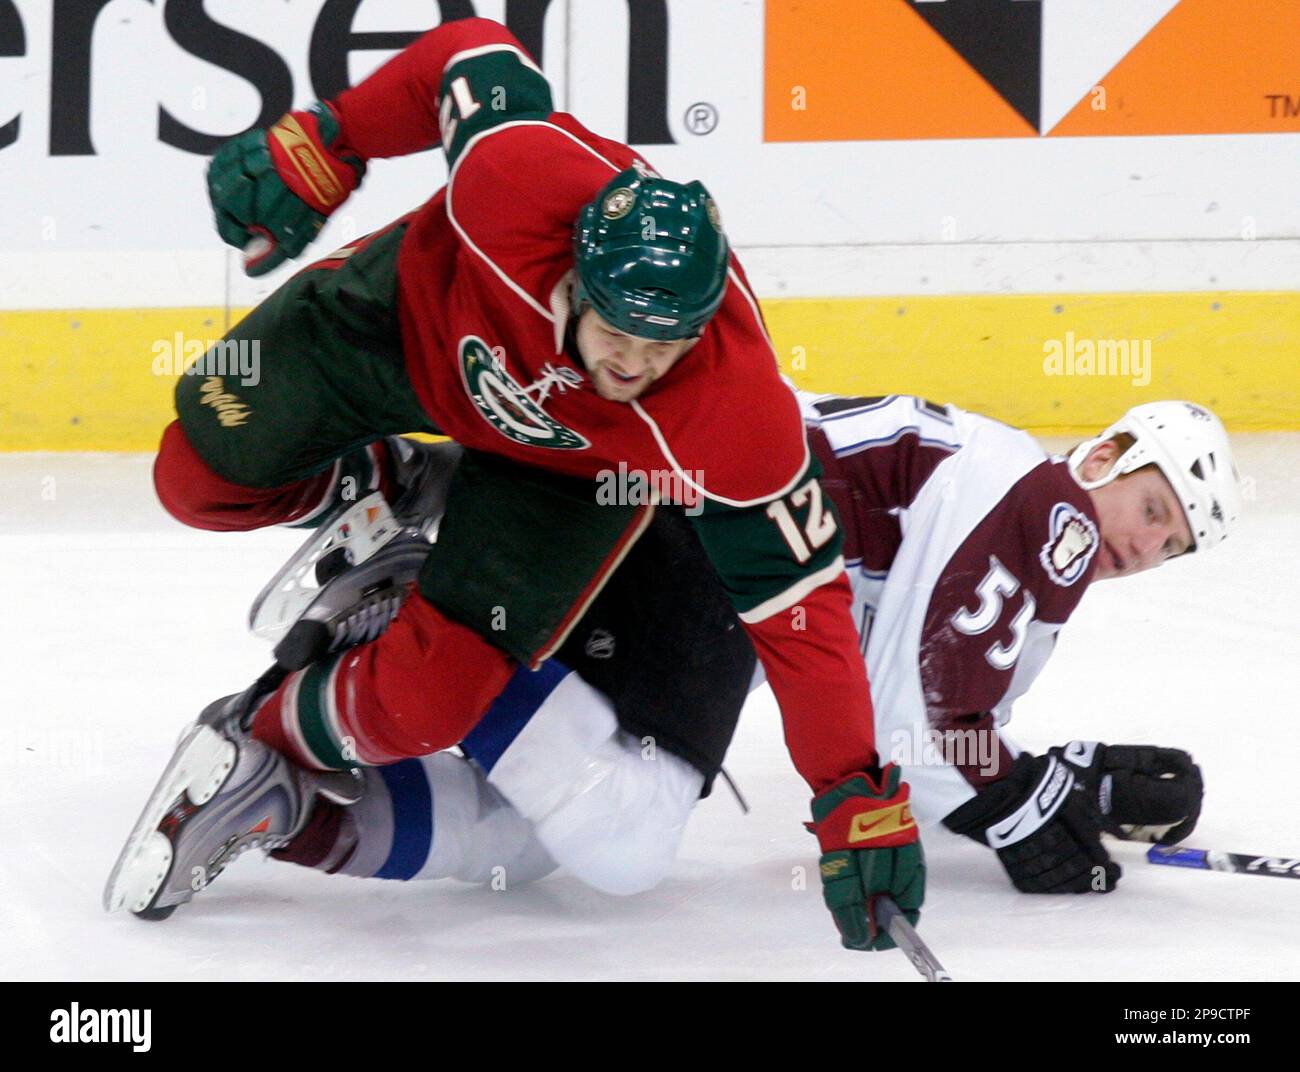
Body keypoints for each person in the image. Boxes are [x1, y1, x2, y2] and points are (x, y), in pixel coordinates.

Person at [104, 17, 921, 949]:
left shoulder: (737, 417)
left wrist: (851, 791)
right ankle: (393, 479)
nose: (631, 364)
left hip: (561, 474)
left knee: (428, 702)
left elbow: (802, 619)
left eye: (665, 345)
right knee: (195, 480)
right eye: (617, 329)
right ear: (577, 268)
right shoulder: (516, 181)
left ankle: (269, 744)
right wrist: (335, 136)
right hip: (394, 327)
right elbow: (470, 51)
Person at [262, 392, 1238, 900]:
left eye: (1170, 548)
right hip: (705, 527)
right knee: (626, 835)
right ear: (1102, 456)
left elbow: (957, 728)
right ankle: (419, 615)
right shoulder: (1050, 513)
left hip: (663, 510)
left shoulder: (1018, 522)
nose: (1144, 545)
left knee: (536, 837)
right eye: (1152, 508)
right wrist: (1027, 808)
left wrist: (1067, 782)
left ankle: (288, 806)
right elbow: (922, 734)